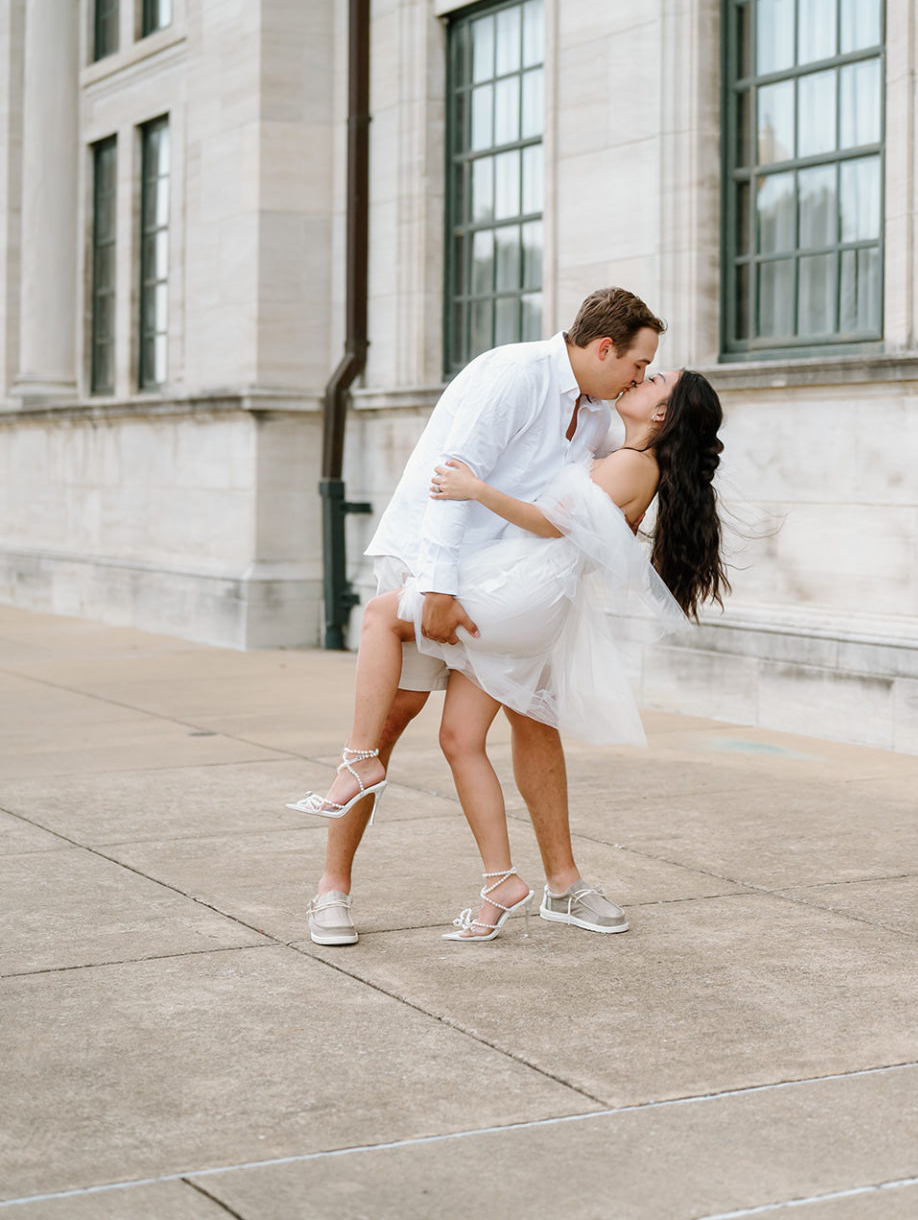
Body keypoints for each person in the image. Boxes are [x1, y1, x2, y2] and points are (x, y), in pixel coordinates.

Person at [289, 288, 665, 945]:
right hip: (437, 569)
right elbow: (450, 475)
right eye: (638, 364)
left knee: (533, 718)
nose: (640, 377)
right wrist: (434, 587)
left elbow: (625, 467)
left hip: (511, 584)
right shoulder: (514, 375)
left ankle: (563, 886)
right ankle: (331, 891)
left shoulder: (598, 410)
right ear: (604, 349)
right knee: (389, 724)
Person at [412, 366, 729, 940]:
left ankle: (534, 880)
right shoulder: (615, 438)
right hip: (530, 588)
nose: (643, 376)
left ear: (663, 414)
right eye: (642, 366)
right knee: (479, 733)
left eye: (655, 377)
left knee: (399, 635)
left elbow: (552, 524)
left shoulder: (633, 460)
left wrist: (476, 490)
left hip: (524, 590)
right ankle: (536, 884)